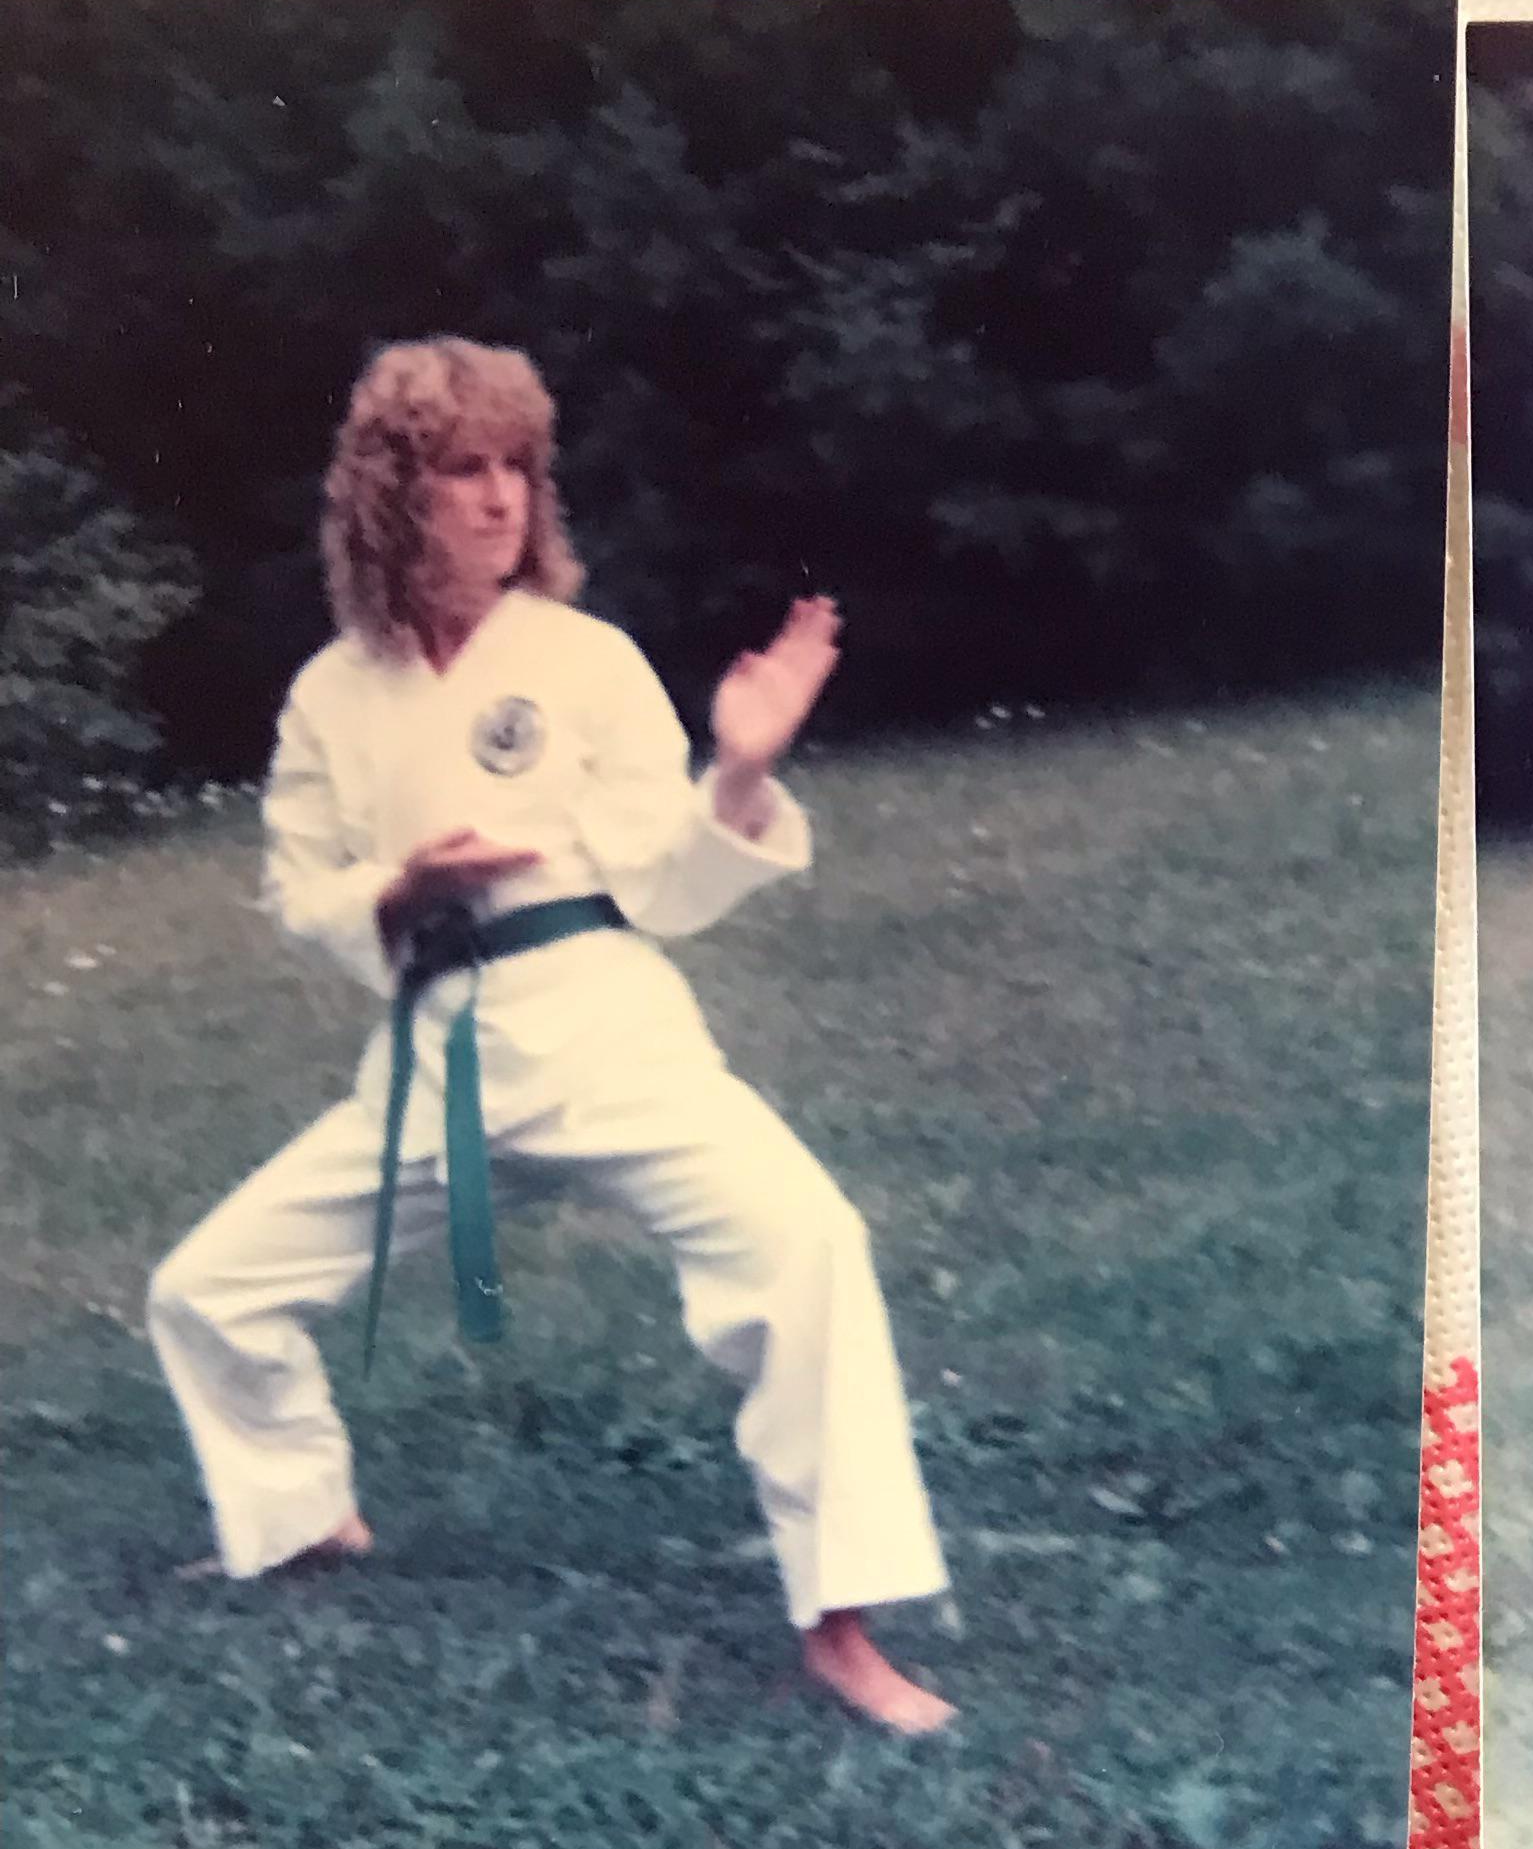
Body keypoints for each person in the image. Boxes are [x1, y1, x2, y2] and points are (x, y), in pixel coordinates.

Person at [146, 336, 955, 1734]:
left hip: (602, 1033)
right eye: (465, 469)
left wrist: (745, 770)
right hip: (434, 1060)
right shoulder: (332, 694)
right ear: (395, 496)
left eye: (518, 467)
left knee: (809, 1245)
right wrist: (401, 888)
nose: (501, 497)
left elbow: (663, 874)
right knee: (206, 1288)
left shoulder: (585, 660)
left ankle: (842, 1624)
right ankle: (296, 1517)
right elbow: (297, 883)